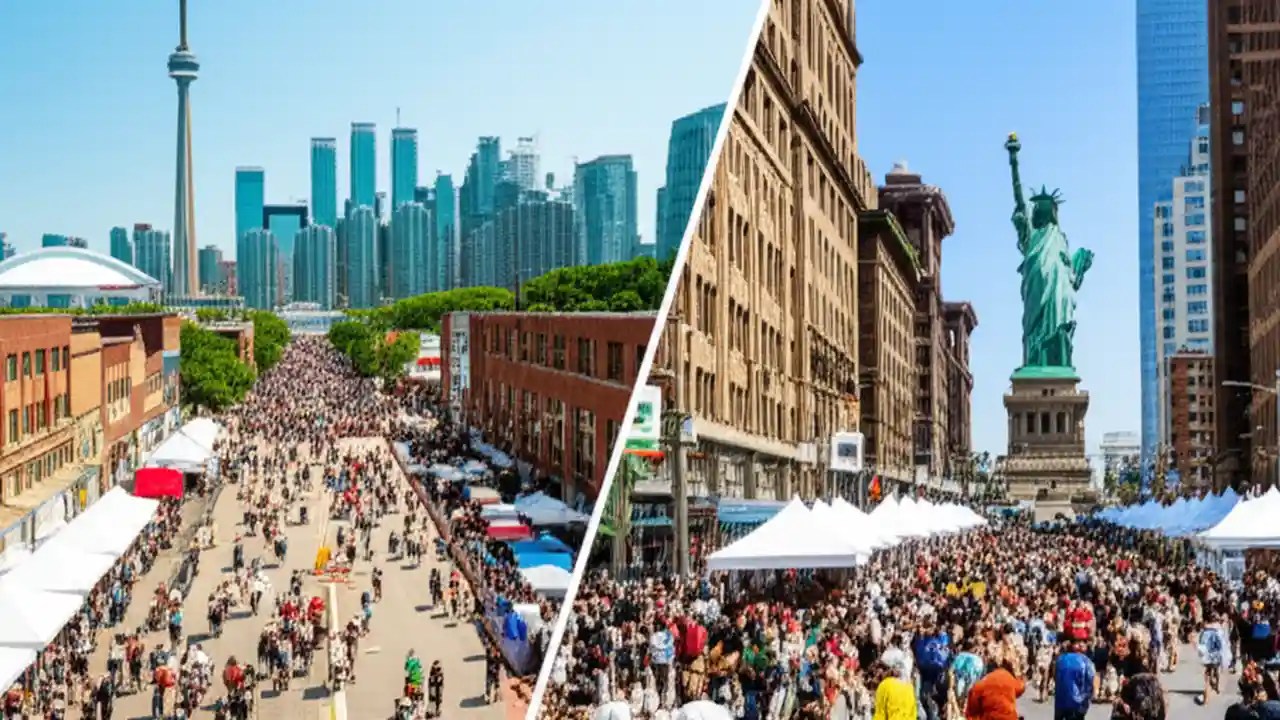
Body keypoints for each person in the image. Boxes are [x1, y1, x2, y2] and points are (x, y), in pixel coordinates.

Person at [964, 655, 1024, 720]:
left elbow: (972, 708)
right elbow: (1020, 688)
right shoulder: (1009, 678)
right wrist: (1019, 676)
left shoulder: (983, 682)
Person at [1053, 640, 1096, 720]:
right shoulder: (1086, 661)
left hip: (1060, 700)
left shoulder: (1060, 659)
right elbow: (1090, 680)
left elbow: (1055, 676)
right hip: (1078, 702)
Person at [1199, 612, 1232, 706]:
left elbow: (1201, 641)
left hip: (1207, 653)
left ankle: (1208, 685)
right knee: (1216, 669)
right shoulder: (1219, 629)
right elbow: (1222, 643)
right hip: (1216, 653)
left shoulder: (1205, 629)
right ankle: (1217, 686)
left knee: (1208, 670)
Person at [871, 653, 915, 720]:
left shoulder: (885, 685)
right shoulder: (909, 687)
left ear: (891, 669)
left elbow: (880, 715)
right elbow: (913, 713)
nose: (879, 672)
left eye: (883, 668)